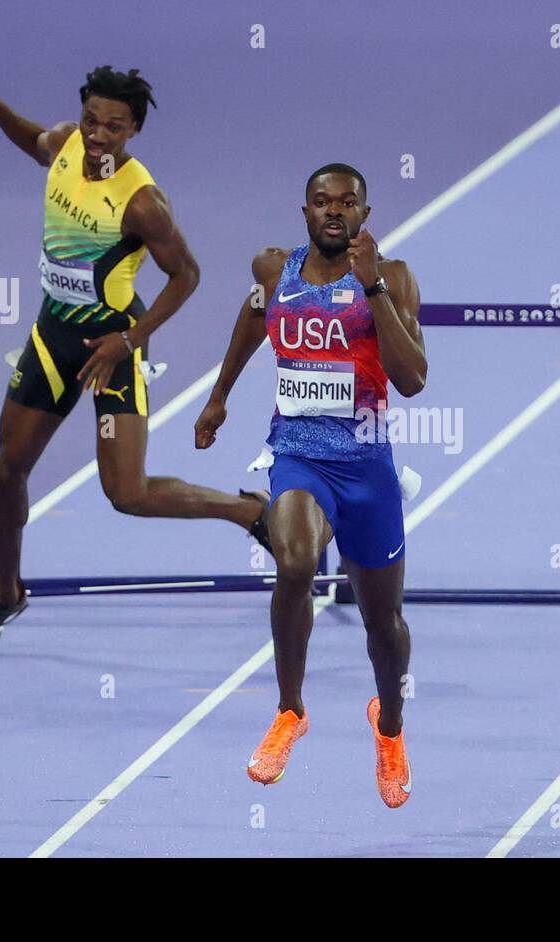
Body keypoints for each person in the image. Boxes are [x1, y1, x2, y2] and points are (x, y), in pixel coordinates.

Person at [0, 50, 271, 656]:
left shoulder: (143, 202)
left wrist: (130, 339)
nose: (98, 136)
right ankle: (9, 594)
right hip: (54, 335)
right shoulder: (68, 143)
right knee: (5, 470)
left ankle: (245, 511)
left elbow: (188, 276)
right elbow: (37, 143)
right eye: (92, 120)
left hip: (114, 344)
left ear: (134, 131)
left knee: (126, 494)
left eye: (114, 127)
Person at [195, 164, 427, 806]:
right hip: (298, 455)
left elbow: (412, 380)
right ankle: (290, 711)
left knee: (386, 628)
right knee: (294, 562)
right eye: (321, 202)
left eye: (346, 203)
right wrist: (219, 399)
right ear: (304, 212)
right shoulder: (275, 271)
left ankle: (390, 726)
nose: (333, 212)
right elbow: (251, 320)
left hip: (367, 467)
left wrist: (374, 286)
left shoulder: (395, 277)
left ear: (364, 212)